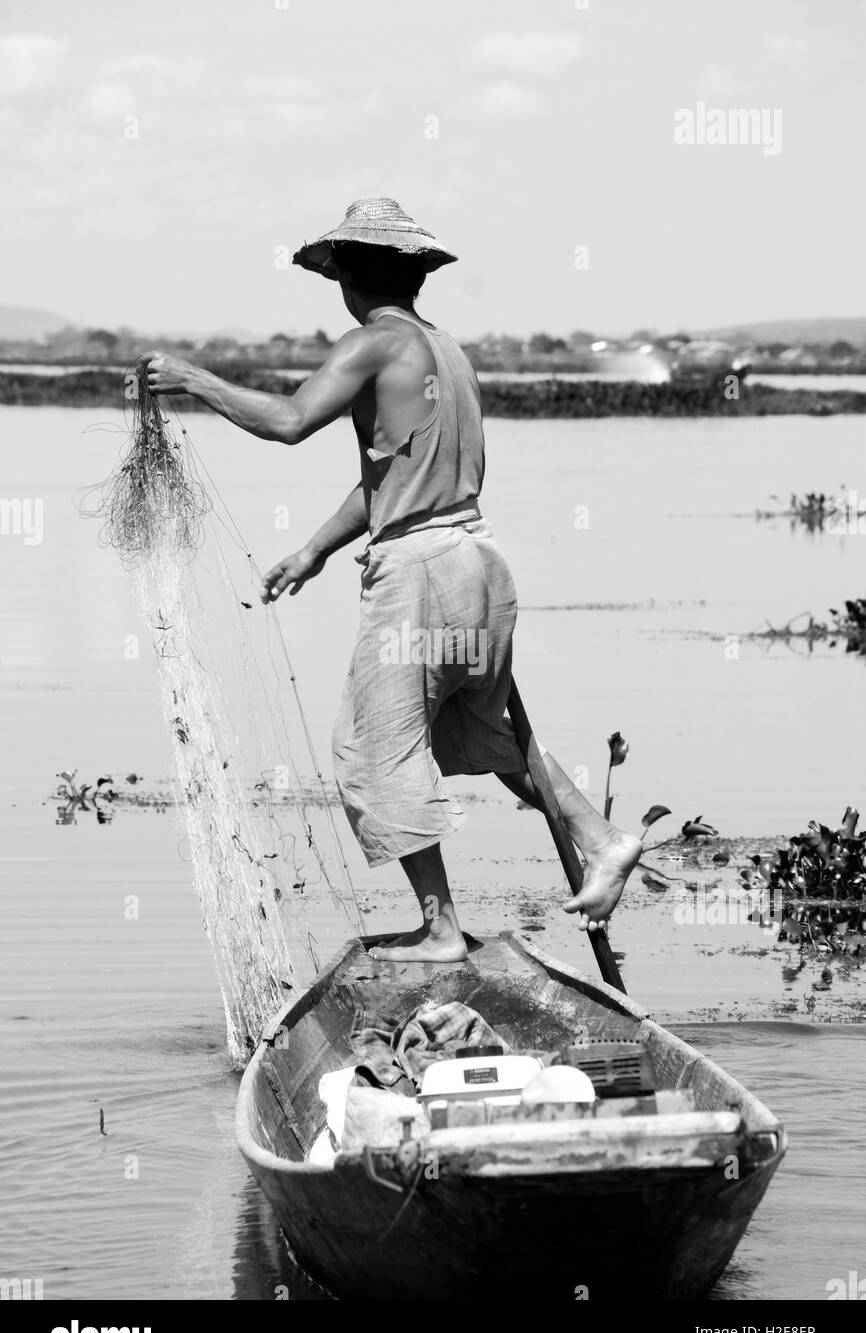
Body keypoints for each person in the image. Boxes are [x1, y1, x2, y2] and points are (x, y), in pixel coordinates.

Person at [139, 197, 641, 963]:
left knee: (372, 749)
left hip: (420, 576)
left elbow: (288, 419)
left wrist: (192, 378)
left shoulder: (371, 343)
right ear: (413, 276)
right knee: (494, 740)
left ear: (349, 276)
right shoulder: (447, 351)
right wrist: (315, 549)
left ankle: (440, 930)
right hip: (478, 561)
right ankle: (599, 837)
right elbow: (399, 474)